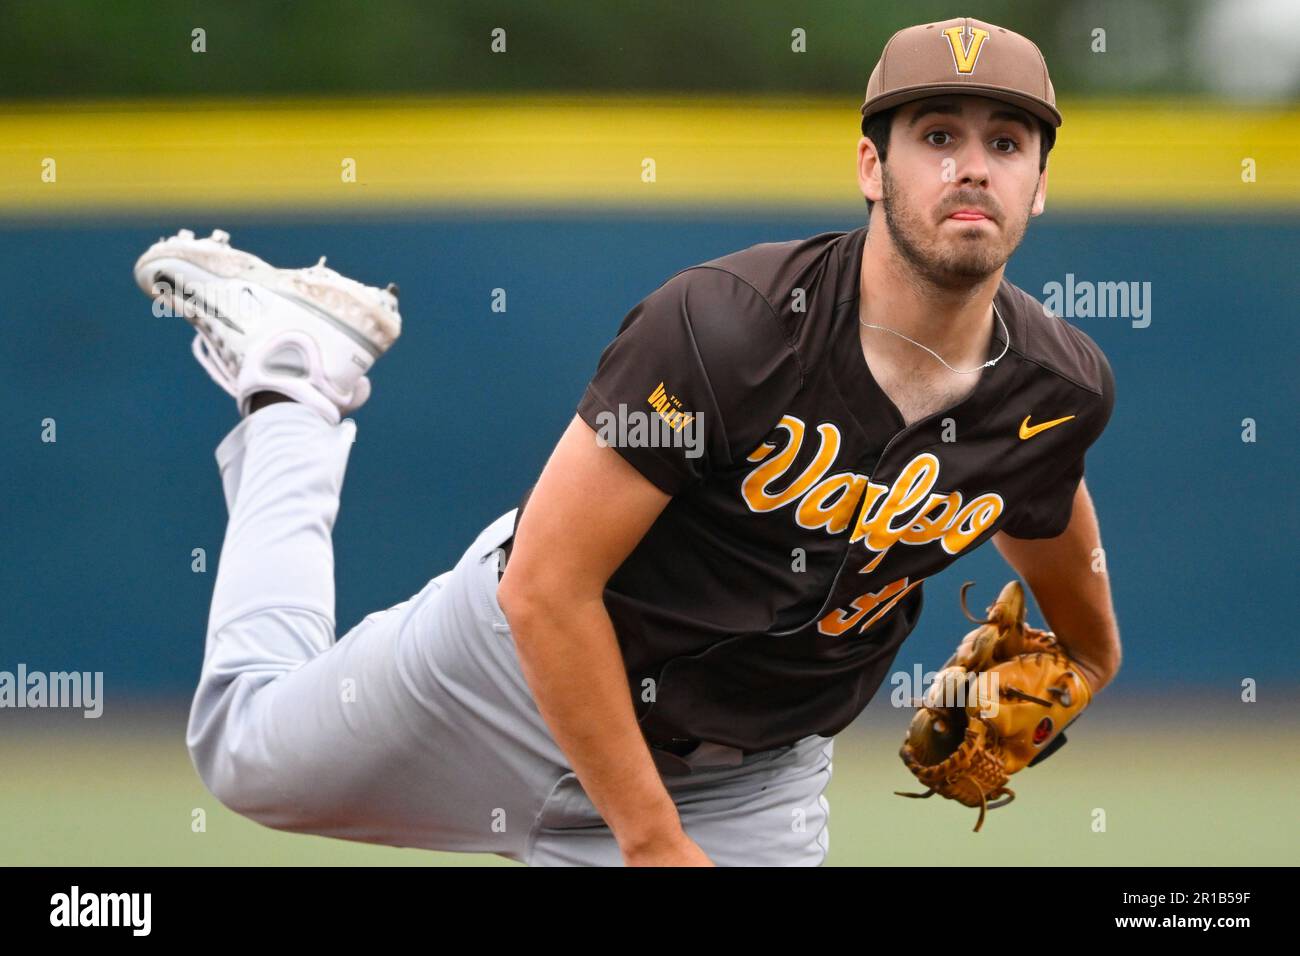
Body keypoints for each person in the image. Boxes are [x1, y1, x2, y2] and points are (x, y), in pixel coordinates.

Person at [138, 16, 1120, 867]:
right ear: (871, 165)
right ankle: (294, 389)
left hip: (747, 784)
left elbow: (1077, 618)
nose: (971, 165)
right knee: (241, 752)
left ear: (1037, 184)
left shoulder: (1052, 396)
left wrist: (1072, 666)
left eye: (1006, 140)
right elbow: (544, 587)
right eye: (936, 134)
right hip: (511, 681)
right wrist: (647, 842)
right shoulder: (724, 327)